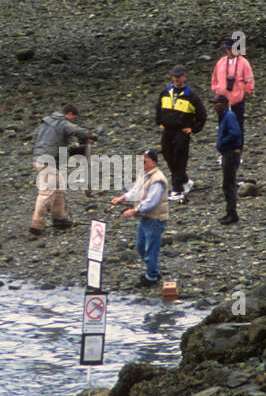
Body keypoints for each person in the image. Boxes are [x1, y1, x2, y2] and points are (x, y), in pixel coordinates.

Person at [30, 102, 95, 237]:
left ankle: (59, 218)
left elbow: (37, 137)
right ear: (69, 114)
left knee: (59, 187)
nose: (74, 120)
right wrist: (89, 136)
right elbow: (78, 131)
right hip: (48, 161)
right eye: (74, 118)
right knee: (46, 192)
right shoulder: (62, 122)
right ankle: (36, 224)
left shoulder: (46, 123)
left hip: (40, 158)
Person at [111, 148, 169, 286]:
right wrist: (123, 197)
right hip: (146, 218)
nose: (140, 164)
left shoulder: (158, 179)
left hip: (155, 219)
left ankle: (151, 277)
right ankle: (154, 271)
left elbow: (151, 201)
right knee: (141, 247)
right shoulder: (144, 175)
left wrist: (134, 210)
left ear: (153, 162)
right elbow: (135, 190)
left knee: (150, 249)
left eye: (144, 161)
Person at [155, 64, 206, 203]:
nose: (176, 79)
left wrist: (193, 129)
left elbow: (202, 115)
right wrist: (159, 121)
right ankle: (184, 181)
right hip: (168, 130)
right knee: (167, 155)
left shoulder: (191, 96)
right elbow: (159, 108)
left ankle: (177, 189)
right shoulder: (166, 92)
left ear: (184, 76)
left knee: (179, 159)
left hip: (181, 132)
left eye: (178, 77)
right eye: (174, 77)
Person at [211, 36, 255, 134]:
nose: (230, 51)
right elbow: (215, 77)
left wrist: (247, 92)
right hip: (221, 100)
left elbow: (249, 79)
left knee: (238, 124)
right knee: (222, 124)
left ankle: (238, 146)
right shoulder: (221, 62)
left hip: (237, 100)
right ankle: (223, 145)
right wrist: (215, 90)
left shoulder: (244, 62)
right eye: (228, 49)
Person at [214, 95, 243, 224]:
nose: (215, 106)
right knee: (228, 184)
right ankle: (230, 213)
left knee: (228, 184)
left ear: (225, 104)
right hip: (228, 153)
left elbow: (235, 133)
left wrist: (222, 143)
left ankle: (232, 214)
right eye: (214, 103)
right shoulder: (224, 116)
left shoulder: (229, 116)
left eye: (218, 103)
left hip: (230, 153)